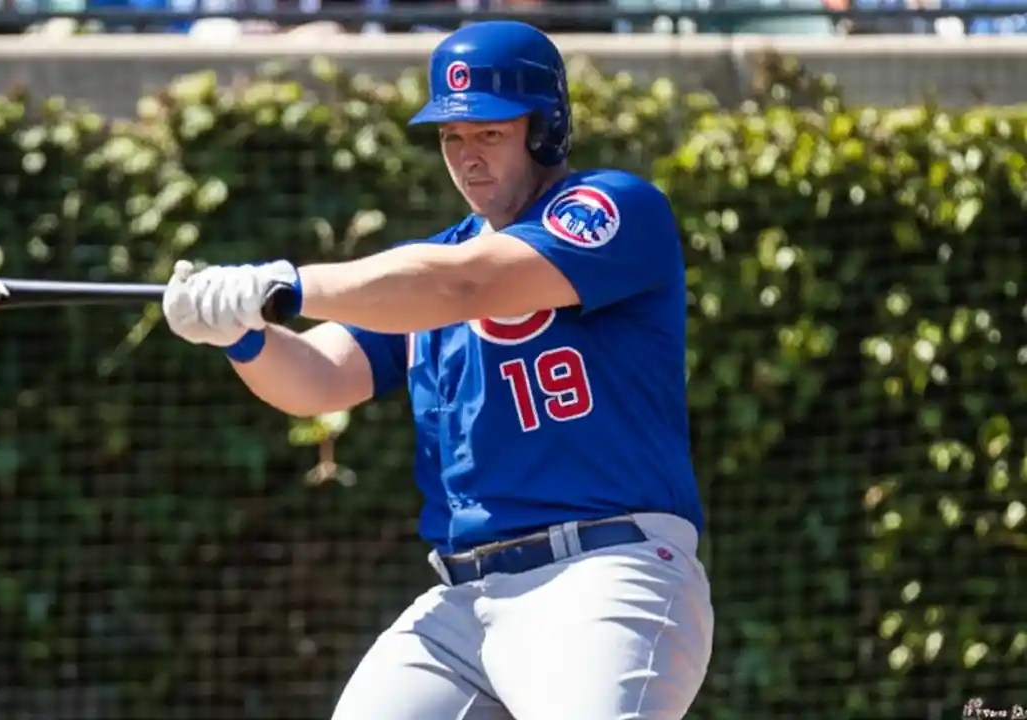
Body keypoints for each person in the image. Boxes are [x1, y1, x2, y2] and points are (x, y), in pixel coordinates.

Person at [161, 20, 714, 719]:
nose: (468, 157)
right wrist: (241, 335)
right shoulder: (428, 268)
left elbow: (466, 286)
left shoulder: (609, 209)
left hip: (606, 574)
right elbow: (320, 379)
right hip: (463, 599)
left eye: (490, 133)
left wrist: (287, 283)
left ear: (544, 131)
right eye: (453, 137)